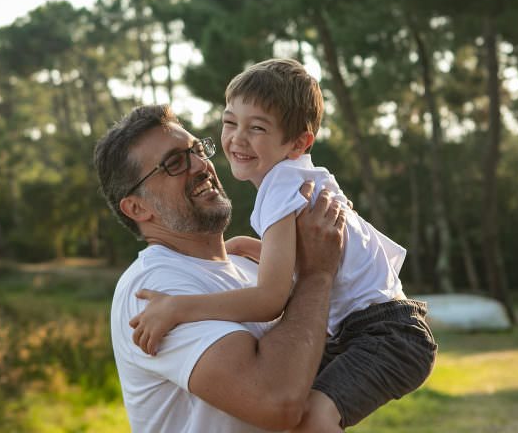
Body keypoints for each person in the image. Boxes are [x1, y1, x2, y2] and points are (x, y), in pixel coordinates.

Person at [130, 59, 437, 430]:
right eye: (230, 122)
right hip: (380, 326)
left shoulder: (280, 188)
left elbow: (269, 299)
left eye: (257, 127)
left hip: (382, 334)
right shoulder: (303, 177)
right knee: (289, 403)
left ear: (298, 142)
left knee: (311, 418)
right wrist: (253, 246)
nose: (237, 139)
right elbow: (327, 260)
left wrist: (179, 308)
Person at [95, 104, 348, 432]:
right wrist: (316, 275)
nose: (201, 165)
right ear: (136, 207)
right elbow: (277, 403)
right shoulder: (153, 289)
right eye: (174, 163)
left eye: (197, 149)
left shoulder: (251, 268)